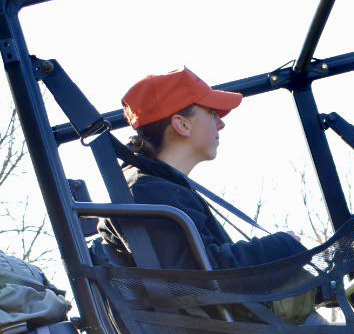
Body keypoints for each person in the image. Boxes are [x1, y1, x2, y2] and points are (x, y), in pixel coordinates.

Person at [108, 67, 306, 271]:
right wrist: (282, 246)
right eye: (211, 113)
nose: (221, 124)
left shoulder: (155, 188)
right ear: (182, 125)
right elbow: (199, 275)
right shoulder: (148, 192)